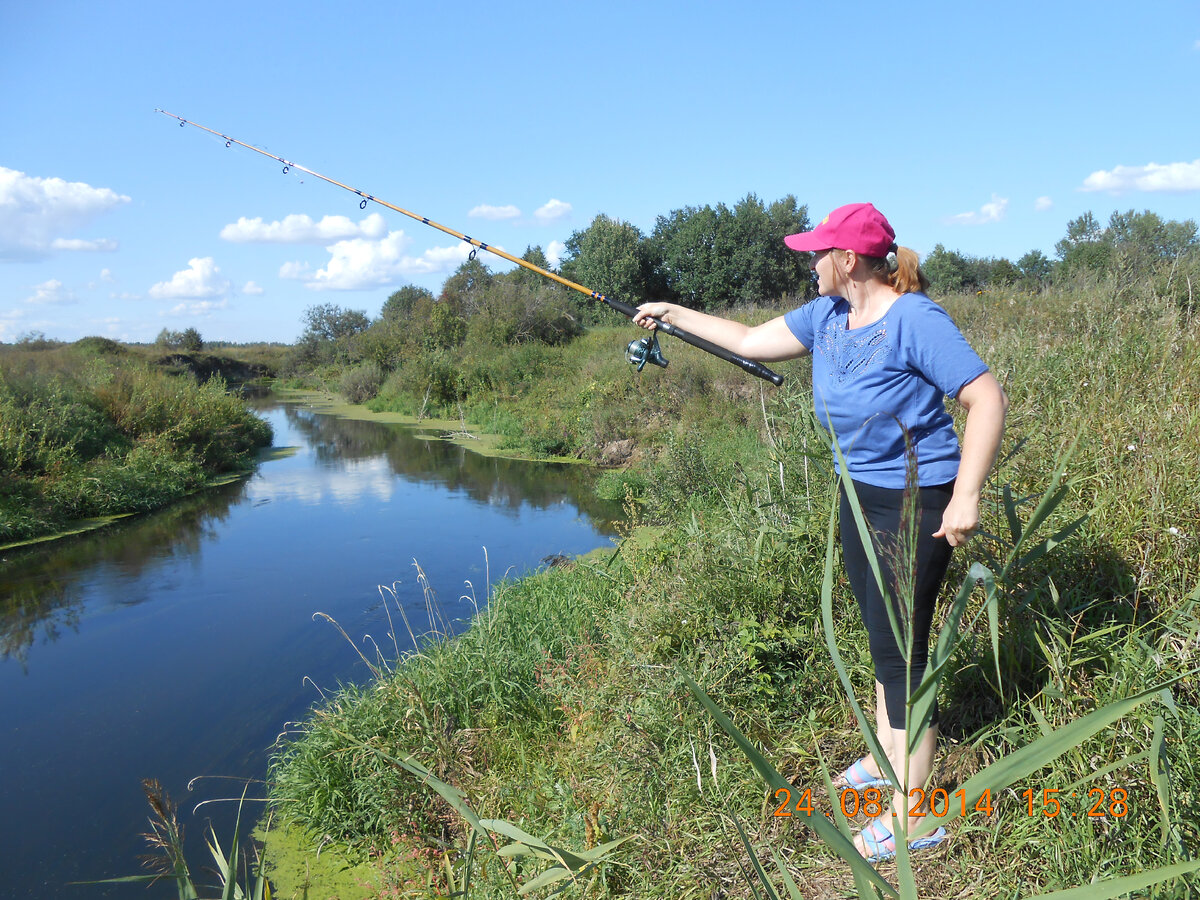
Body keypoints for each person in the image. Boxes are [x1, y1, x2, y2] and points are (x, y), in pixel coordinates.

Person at [633, 202, 1008, 863]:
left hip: (918, 499)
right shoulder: (828, 316)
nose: (809, 261)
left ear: (850, 260)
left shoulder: (914, 320)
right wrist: (671, 311)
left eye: (817, 252)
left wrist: (968, 495)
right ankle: (885, 757)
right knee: (878, 633)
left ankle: (916, 816)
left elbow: (985, 397)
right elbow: (748, 341)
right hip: (861, 493)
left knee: (904, 654)